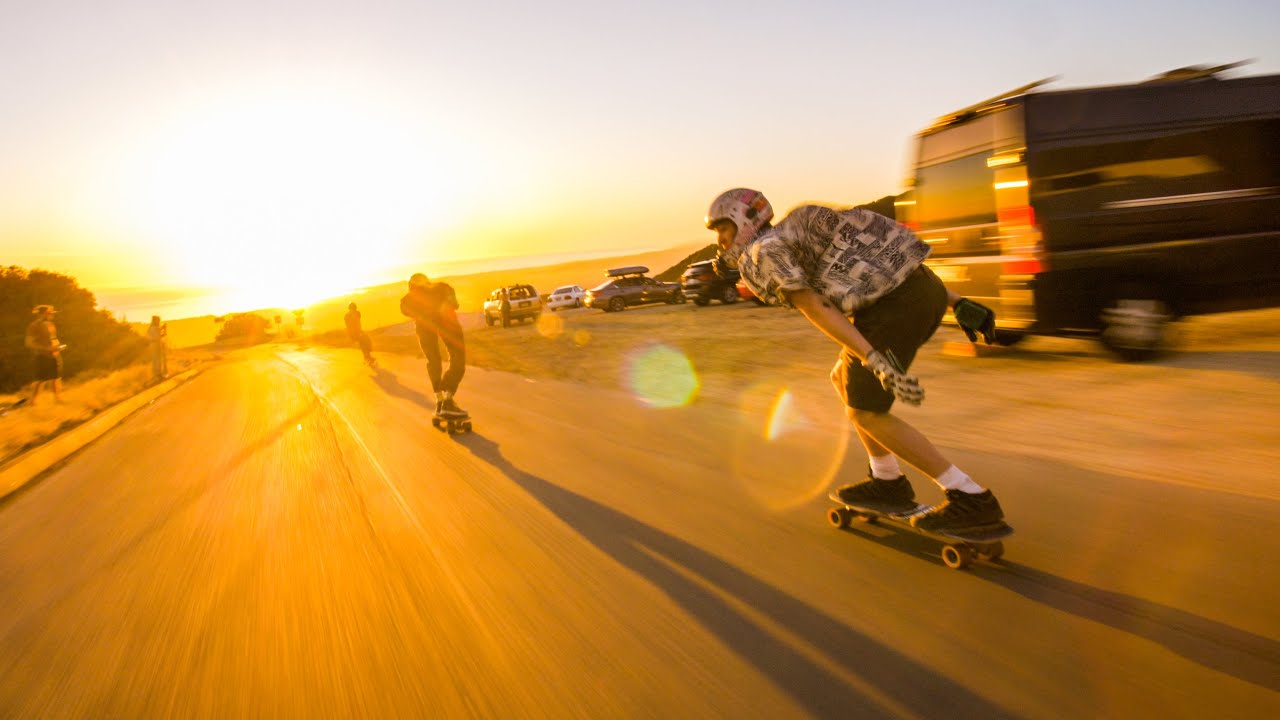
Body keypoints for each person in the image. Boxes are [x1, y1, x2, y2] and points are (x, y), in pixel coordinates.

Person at [705, 188, 1005, 531]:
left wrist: (873, 357)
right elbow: (881, 257)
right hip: (927, 288)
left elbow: (816, 307)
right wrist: (955, 301)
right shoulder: (799, 221)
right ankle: (887, 479)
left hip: (894, 309)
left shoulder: (764, 251)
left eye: (723, 230)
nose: (721, 241)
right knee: (842, 379)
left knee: (866, 412)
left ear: (743, 221)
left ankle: (968, 496)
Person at [400, 272, 467, 417]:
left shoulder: (409, 298)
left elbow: (404, 309)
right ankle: (447, 400)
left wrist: (420, 313)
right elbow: (455, 304)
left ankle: (440, 401)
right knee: (458, 357)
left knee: (433, 361)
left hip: (424, 325)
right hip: (447, 323)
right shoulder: (442, 288)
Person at [24, 304, 64, 405]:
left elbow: (52, 339)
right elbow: (29, 343)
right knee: (40, 380)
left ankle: (58, 400)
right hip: (42, 356)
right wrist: (45, 349)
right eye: (50, 313)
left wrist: (58, 347)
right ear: (42, 314)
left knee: (55, 378)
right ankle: (32, 402)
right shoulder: (34, 326)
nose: (52, 315)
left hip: (53, 355)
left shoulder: (50, 324)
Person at [344, 302, 377, 367]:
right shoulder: (347, 316)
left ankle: (367, 356)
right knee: (363, 341)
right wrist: (354, 333)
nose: (353, 310)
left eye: (354, 308)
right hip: (353, 333)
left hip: (359, 331)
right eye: (352, 309)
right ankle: (367, 357)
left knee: (367, 340)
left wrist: (360, 331)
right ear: (350, 309)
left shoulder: (357, 313)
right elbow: (349, 325)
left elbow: (358, 322)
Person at [146, 315, 168, 380]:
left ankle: (156, 374)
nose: (159, 321)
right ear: (155, 321)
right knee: (158, 359)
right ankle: (158, 374)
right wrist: (164, 329)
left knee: (155, 359)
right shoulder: (155, 328)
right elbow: (159, 336)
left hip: (153, 345)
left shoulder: (151, 328)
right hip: (156, 345)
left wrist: (163, 329)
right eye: (158, 320)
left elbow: (158, 334)